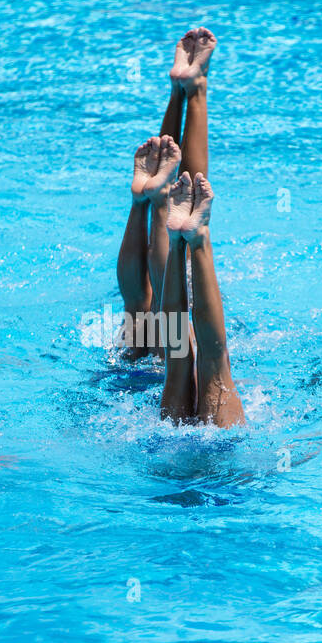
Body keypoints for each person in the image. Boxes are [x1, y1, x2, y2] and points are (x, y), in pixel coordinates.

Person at [116, 28, 244, 427]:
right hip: (176, 437)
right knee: (171, 346)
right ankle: (162, 216)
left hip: (140, 387)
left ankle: (177, 226)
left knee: (187, 349)